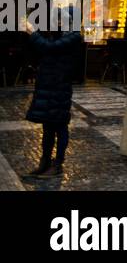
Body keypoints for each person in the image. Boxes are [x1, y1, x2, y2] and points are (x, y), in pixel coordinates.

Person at [23, 12, 83, 179]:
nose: (54, 23)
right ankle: (44, 163)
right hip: (48, 87)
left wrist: (32, 33)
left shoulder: (73, 37)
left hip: (60, 88)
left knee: (60, 127)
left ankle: (57, 165)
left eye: (58, 20)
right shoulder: (57, 36)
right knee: (48, 127)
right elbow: (44, 51)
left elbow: (49, 49)